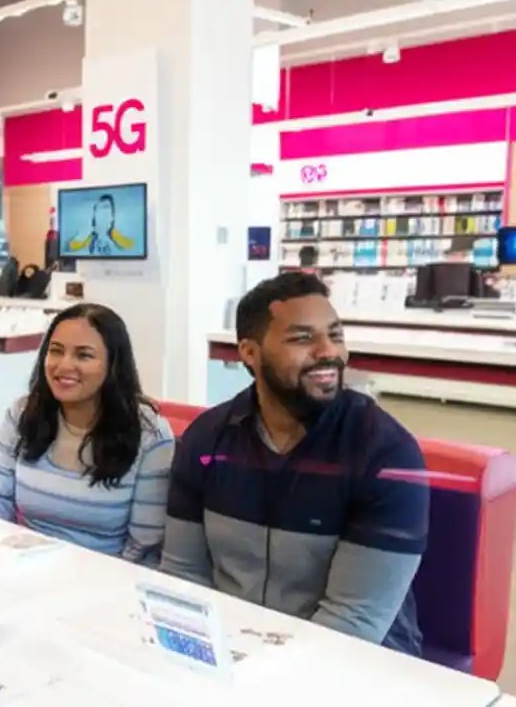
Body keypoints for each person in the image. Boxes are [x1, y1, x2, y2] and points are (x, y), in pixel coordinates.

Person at [160, 272, 429, 655]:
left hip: (358, 666)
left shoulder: (384, 453)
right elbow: (183, 574)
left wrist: (256, 678)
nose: (327, 352)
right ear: (250, 353)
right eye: (303, 338)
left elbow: (354, 621)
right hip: (233, 651)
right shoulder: (207, 439)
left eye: (335, 335)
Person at [0, 303, 174, 565]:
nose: (64, 365)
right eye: (56, 351)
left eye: (83, 355)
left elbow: (143, 548)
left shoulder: (149, 435)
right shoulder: (23, 414)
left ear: (113, 365)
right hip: (23, 566)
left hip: (106, 580)